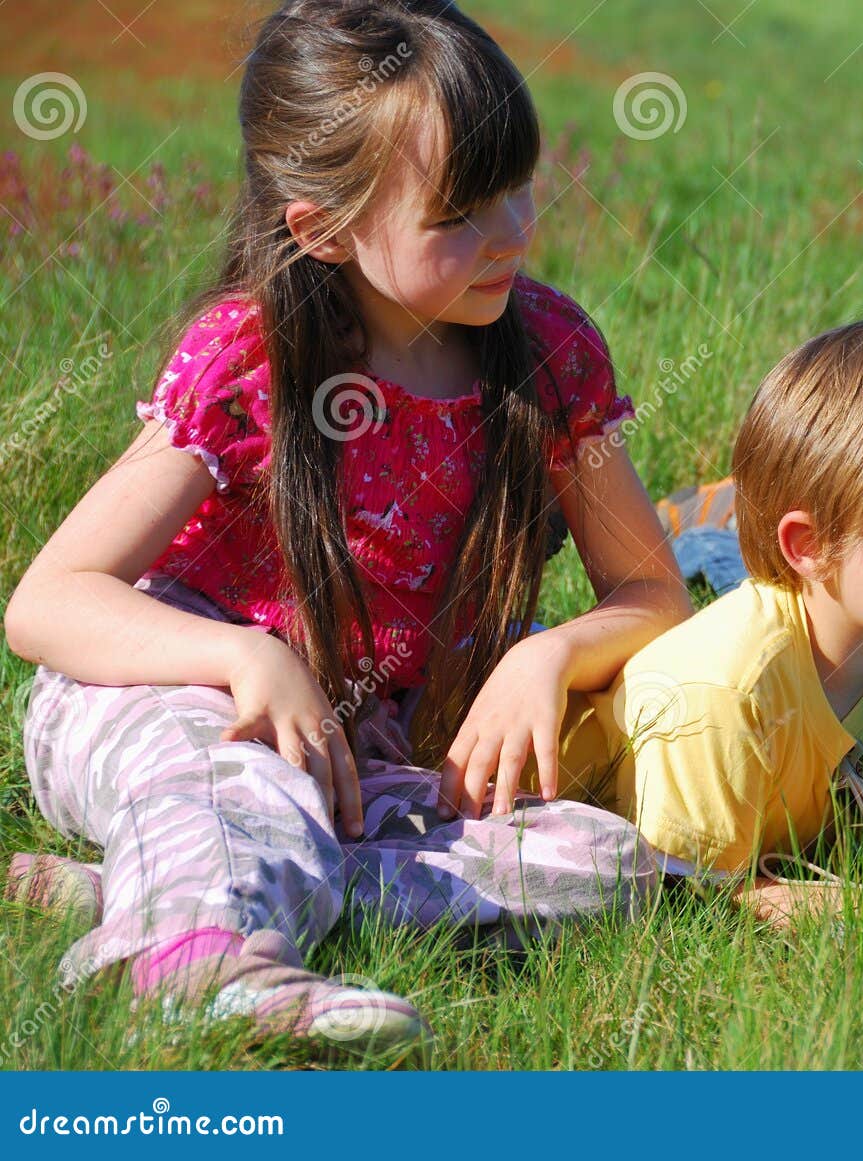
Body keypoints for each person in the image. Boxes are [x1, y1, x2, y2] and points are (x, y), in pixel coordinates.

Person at [1, 0, 691, 1050]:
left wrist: (549, 655)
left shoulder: (550, 355)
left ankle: (170, 887)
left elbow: (652, 597)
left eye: (514, 188)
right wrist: (239, 658)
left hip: (367, 757)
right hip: (171, 698)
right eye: (459, 215)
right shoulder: (251, 357)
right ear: (319, 226)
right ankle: (201, 970)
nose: (512, 232)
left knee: (607, 862)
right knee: (239, 779)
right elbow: (49, 604)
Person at [556, 320, 863, 922]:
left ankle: (705, 515)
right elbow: (692, 899)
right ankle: (699, 516)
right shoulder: (723, 696)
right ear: (811, 545)